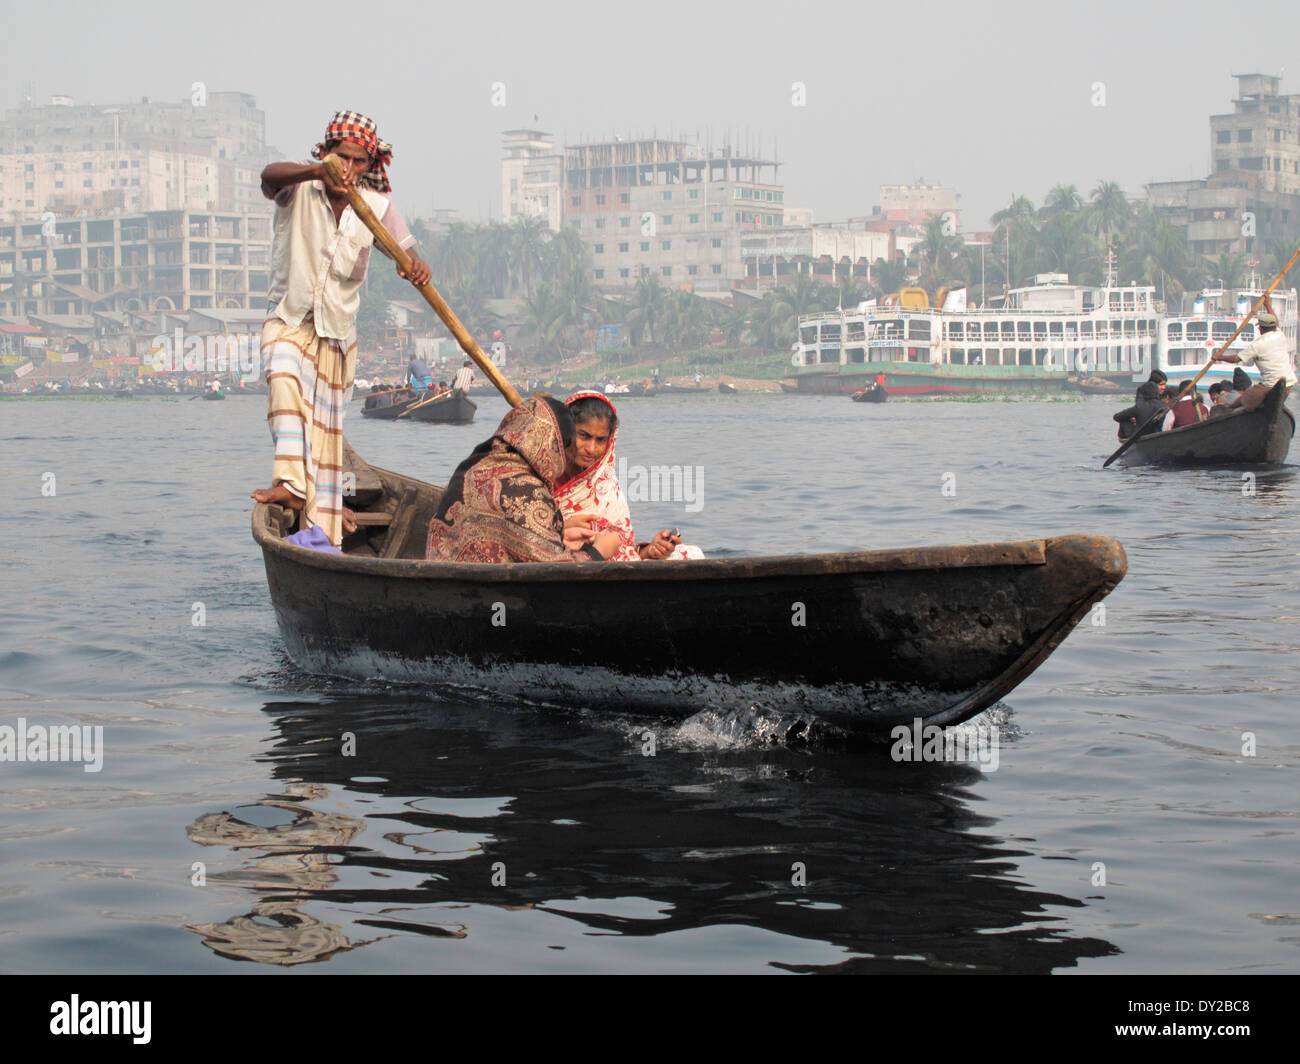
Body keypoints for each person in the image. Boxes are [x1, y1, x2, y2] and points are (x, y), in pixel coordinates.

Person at [249, 110, 431, 546]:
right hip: (291, 319)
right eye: (339, 158)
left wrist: (416, 268)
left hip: (336, 336)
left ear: (368, 166)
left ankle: (321, 527)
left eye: (356, 161)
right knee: (282, 374)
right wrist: (317, 171)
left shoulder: (377, 207)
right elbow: (268, 177)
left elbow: (405, 253)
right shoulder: (298, 189)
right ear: (325, 153)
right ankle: (292, 487)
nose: (346, 169)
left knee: (326, 439)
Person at [425, 395, 623, 563]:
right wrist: (597, 552)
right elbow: (558, 573)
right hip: (486, 596)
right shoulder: (526, 492)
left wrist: (559, 535)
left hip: (444, 578)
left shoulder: (473, 465)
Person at [553, 390, 704, 561]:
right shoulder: (543, 476)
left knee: (692, 554)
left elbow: (625, 551)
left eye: (601, 440)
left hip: (606, 561)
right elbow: (527, 536)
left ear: (610, 440)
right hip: (561, 560)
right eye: (583, 436)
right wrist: (561, 528)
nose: (591, 448)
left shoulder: (606, 484)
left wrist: (651, 551)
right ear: (565, 430)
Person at [1212, 310, 1297, 410]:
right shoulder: (1280, 334)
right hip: (1288, 383)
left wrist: (1219, 357)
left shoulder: (1257, 345)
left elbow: (1236, 359)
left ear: (1260, 328)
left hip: (1270, 385)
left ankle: (1229, 408)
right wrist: (1267, 303)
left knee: (1244, 398)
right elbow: (1275, 321)